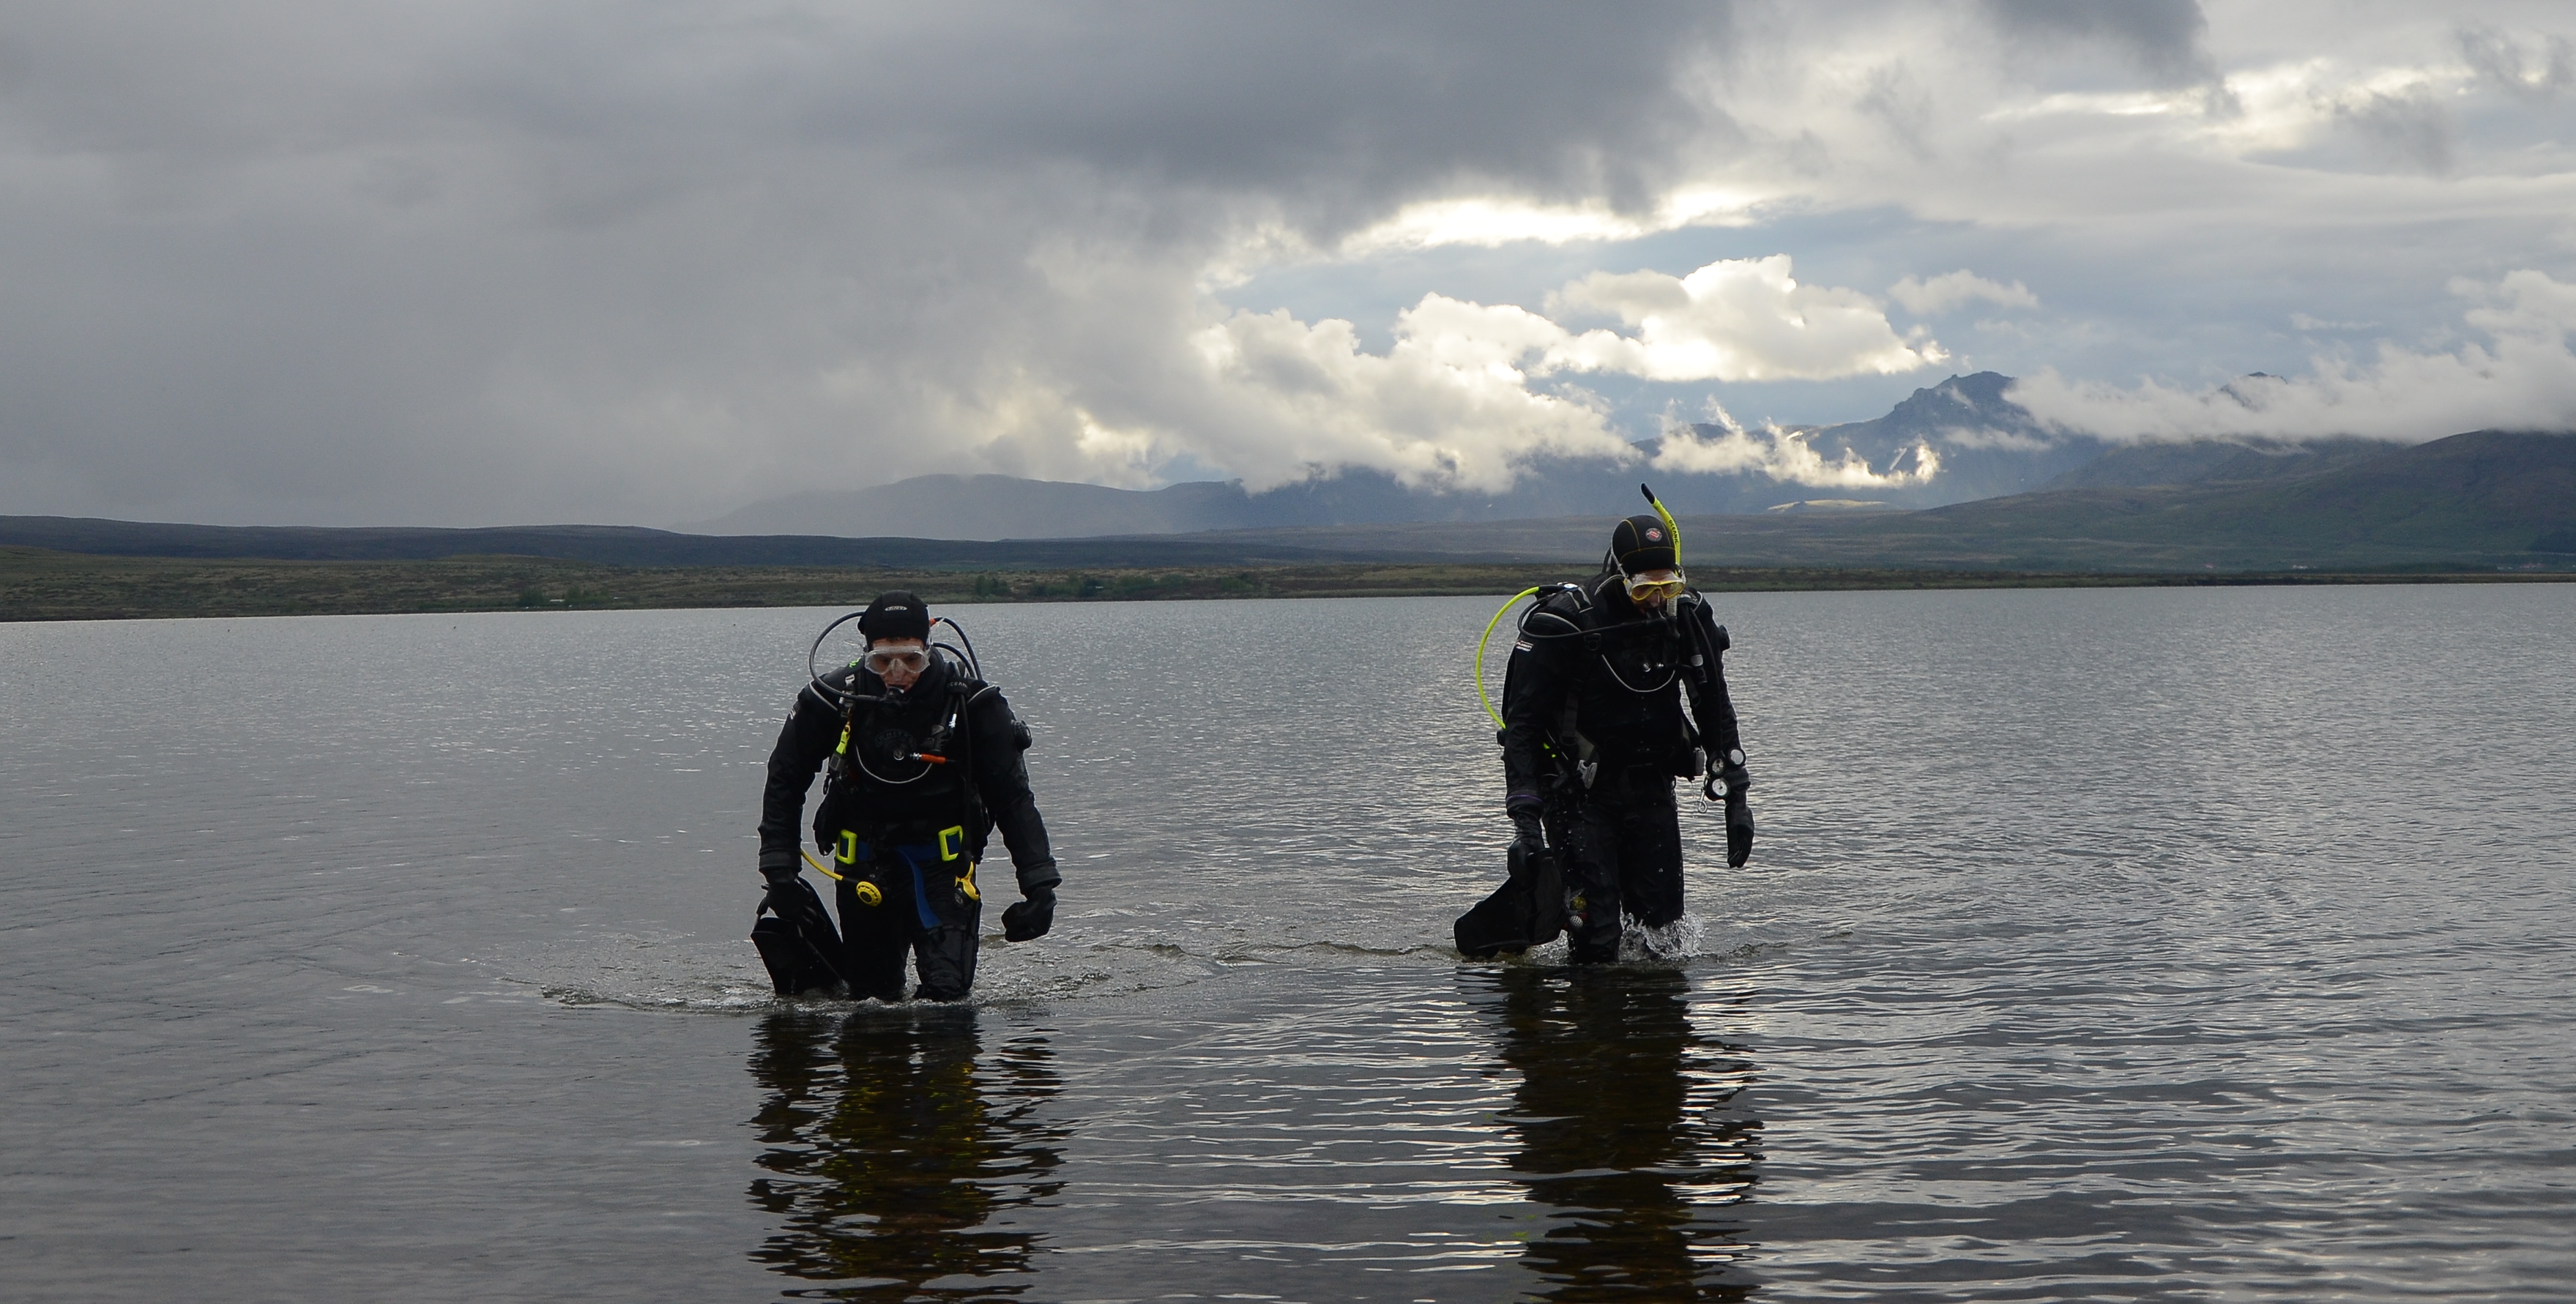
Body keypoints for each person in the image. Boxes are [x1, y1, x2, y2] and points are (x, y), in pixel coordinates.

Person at [757, 591, 1060, 1001]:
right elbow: (785, 780)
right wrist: (780, 871)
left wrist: (1039, 885)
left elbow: (1012, 796)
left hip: (943, 865)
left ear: (928, 651)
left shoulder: (971, 704)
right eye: (882, 662)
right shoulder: (833, 699)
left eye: (911, 660)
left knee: (946, 999)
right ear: (865, 654)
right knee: (872, 1000)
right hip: (865, 864)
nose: (897, 673)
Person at [1500, 505, 1753, 963]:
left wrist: (1737, 796)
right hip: (1579, 797)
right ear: (1618, 576)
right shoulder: (1564, 623)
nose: (1657, 600)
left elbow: (1713, 704)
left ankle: (1652, 1031)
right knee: (1596, 941)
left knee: (1665, 939)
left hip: (1652, 789)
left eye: (1667, 586)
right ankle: (1590, 1020)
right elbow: (1522, 728)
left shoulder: (1687, 617)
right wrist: (1525, 829)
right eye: (1644, 587)